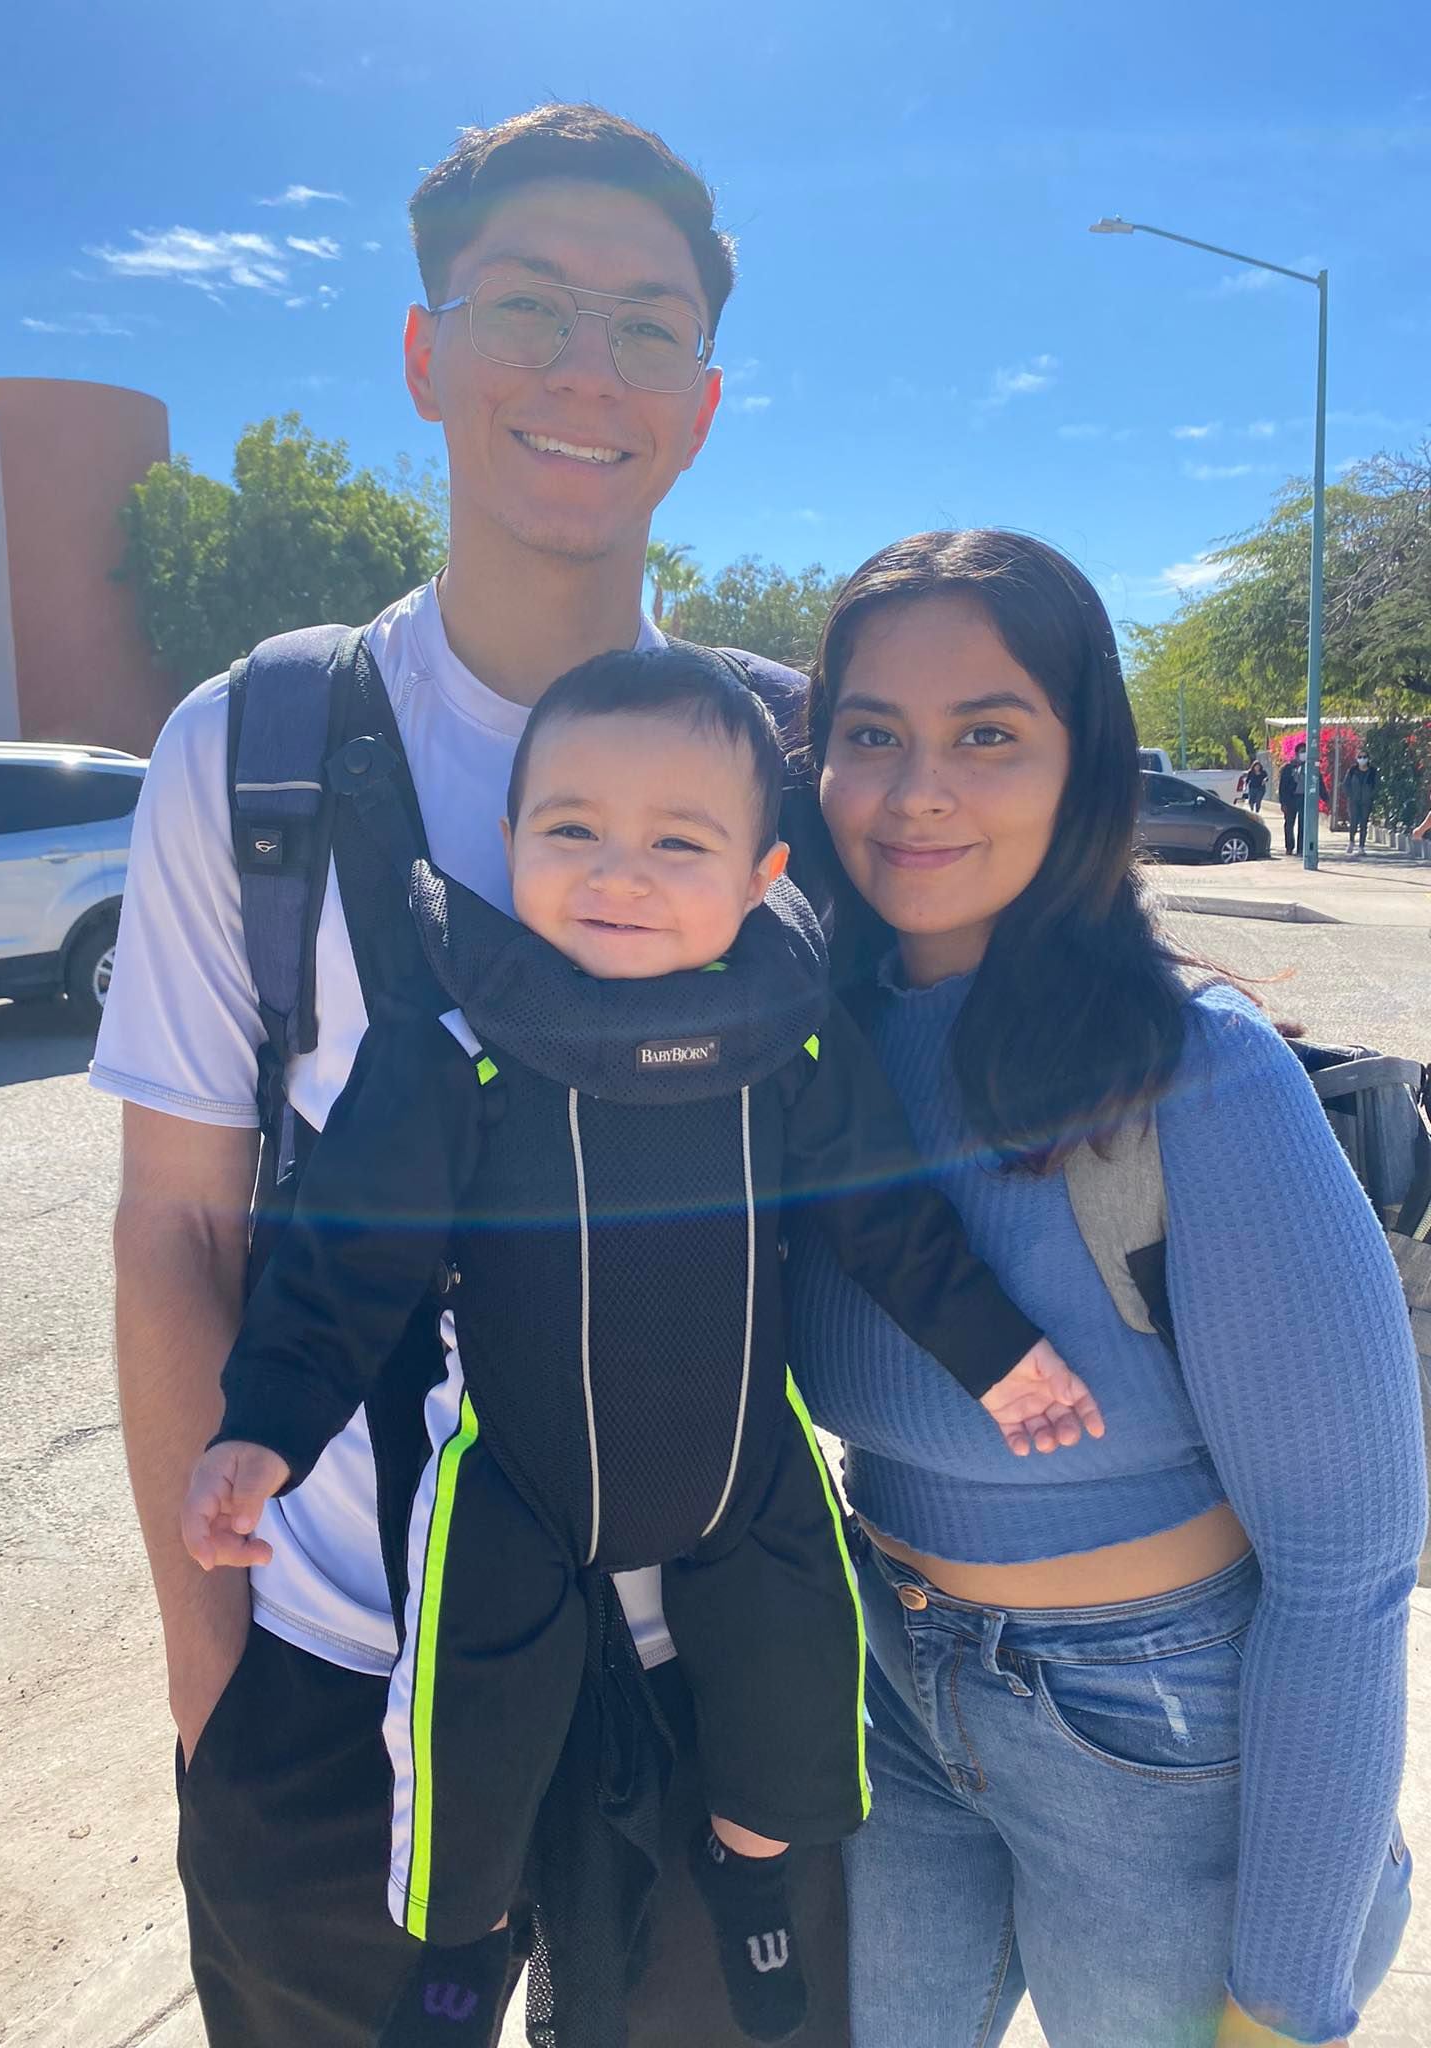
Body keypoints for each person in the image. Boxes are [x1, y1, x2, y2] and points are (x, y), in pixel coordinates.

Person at [95, 104, 849, 2048]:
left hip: (711, 1689)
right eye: (528, 305)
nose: (586, 367)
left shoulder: (795, 763)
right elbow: (179, 1226)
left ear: (701, 403)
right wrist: (213, 1683)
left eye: (646, 324)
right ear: (427, 354)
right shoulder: (252, 749)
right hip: (339, 1676)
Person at [181, 649, 1102, 2048]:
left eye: (679, 842)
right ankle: (458, 1951)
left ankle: (747, 1869)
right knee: (466, 1727)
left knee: (801, 1690)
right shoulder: (458, 1047)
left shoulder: (789, 1043)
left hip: (744, 1468)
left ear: (762, 872)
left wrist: (999, 1355)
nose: (619, 873)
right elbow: (345, 1265)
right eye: (573, 830)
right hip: (518, 1477)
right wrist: (263, 1426)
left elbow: (889, 1220)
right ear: (508, 842)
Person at [786, 528, 1423, 2048]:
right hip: (885, 1684)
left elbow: (1348, 1569)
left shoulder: (1199, 1071)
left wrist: (1285, 1989)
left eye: (987, 735)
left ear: (1084, 765)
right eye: (871, 735)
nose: (916, 789)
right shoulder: (804, 1049)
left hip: (1155, 1720)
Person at [1345, 752, 1379, 851]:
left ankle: (1361, 846)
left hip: (1366, 801)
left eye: (1364, 757)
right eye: (1360, 757)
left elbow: (1376, 785)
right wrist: (1350, 795)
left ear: (1368, 758)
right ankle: (1351, 842)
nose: (1362, 759)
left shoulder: (1372, 771)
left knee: (1364, 823)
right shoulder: (1352, 770)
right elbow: (1346, 784)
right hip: (1354, 801)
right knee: (1353, 822)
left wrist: (1371, 796)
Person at [1277, 745, 1307, 854]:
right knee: (1289, 824)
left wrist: (1325, 798)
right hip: (1290, 799)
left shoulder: (1310, 767)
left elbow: (1318, 781)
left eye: (1306, 751)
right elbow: (1282, 786)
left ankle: (1301, 848)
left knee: (1303, 824)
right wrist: (1283, 802)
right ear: (1297, 753)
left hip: (1303, 799)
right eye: (1302, 751)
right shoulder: (1288, 768)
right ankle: (1289, 847)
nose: (1304, 753)